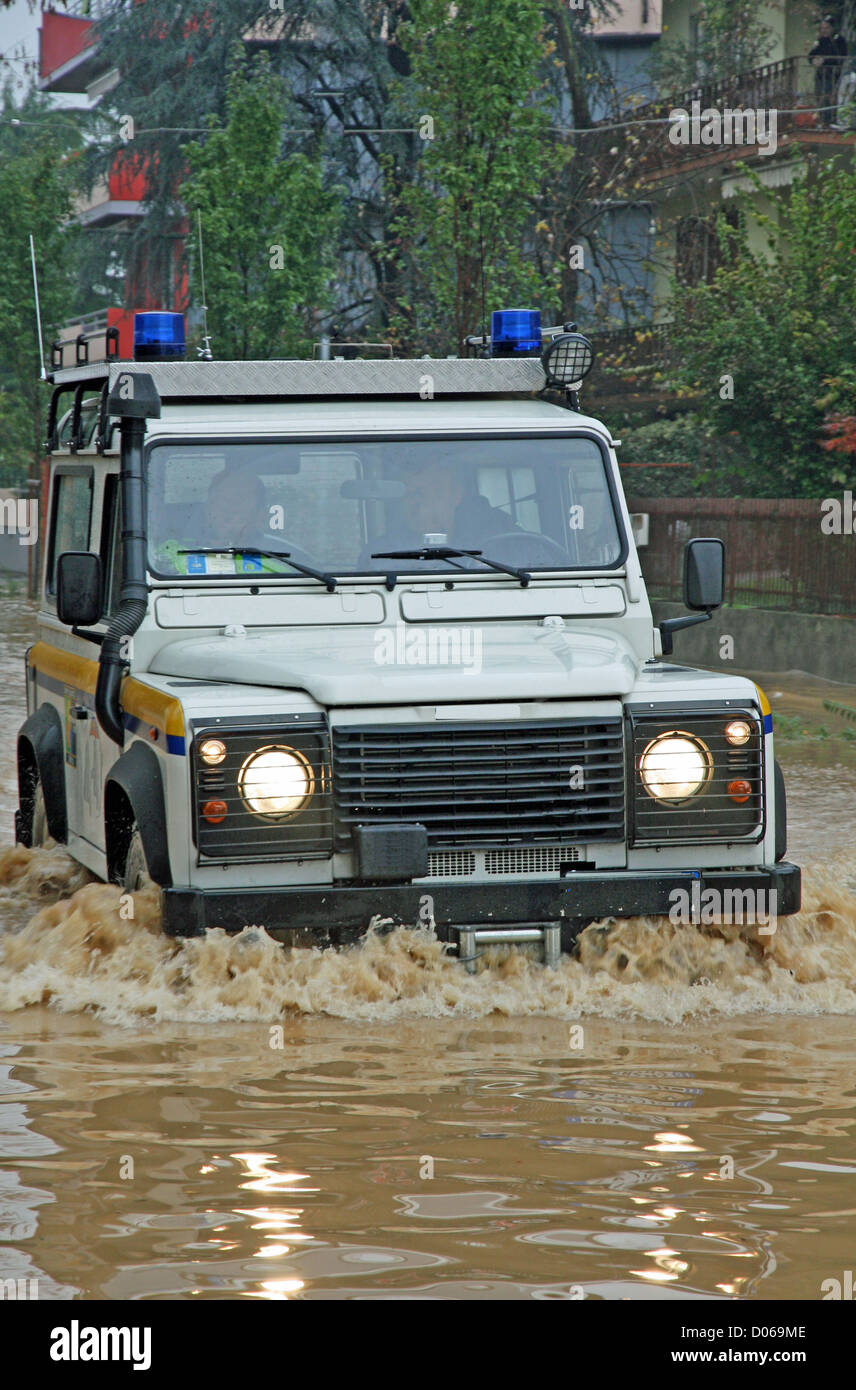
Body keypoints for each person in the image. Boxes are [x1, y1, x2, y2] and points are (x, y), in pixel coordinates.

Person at [154, 469, 294, 575]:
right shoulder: (169, 553)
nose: (229, 508)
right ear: (208, 510)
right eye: (221, 500)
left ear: (260, 514)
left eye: (239, 499)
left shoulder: (286, 558)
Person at [809, 16, 848, 126]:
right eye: (822, 28)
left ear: (832, 28)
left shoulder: (839, 40)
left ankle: (830, 121)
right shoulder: (821, 41)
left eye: (826, 28)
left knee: (829, 97)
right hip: (820, 75)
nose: (824, 30)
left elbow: (840, 56)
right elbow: (811, 54)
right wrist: (814, 60)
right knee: (819, 96)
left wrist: (824, 60)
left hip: (832, 75)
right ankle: (822, 120)